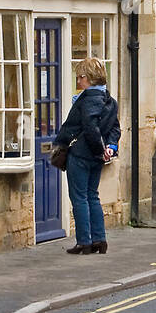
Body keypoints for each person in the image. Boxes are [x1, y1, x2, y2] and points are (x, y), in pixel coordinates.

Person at [55, 58, 120, 254]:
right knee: (92, 196)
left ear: (89, 78)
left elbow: (91, 129)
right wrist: (110, 147)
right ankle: (100, 240)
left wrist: (101, 149)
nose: (78, 82)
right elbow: (115, 128)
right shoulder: (109, 100)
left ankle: (84, 242)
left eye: (80, 77)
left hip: (82, 155)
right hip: (97, 158)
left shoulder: (88, 100)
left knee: (79, 197)